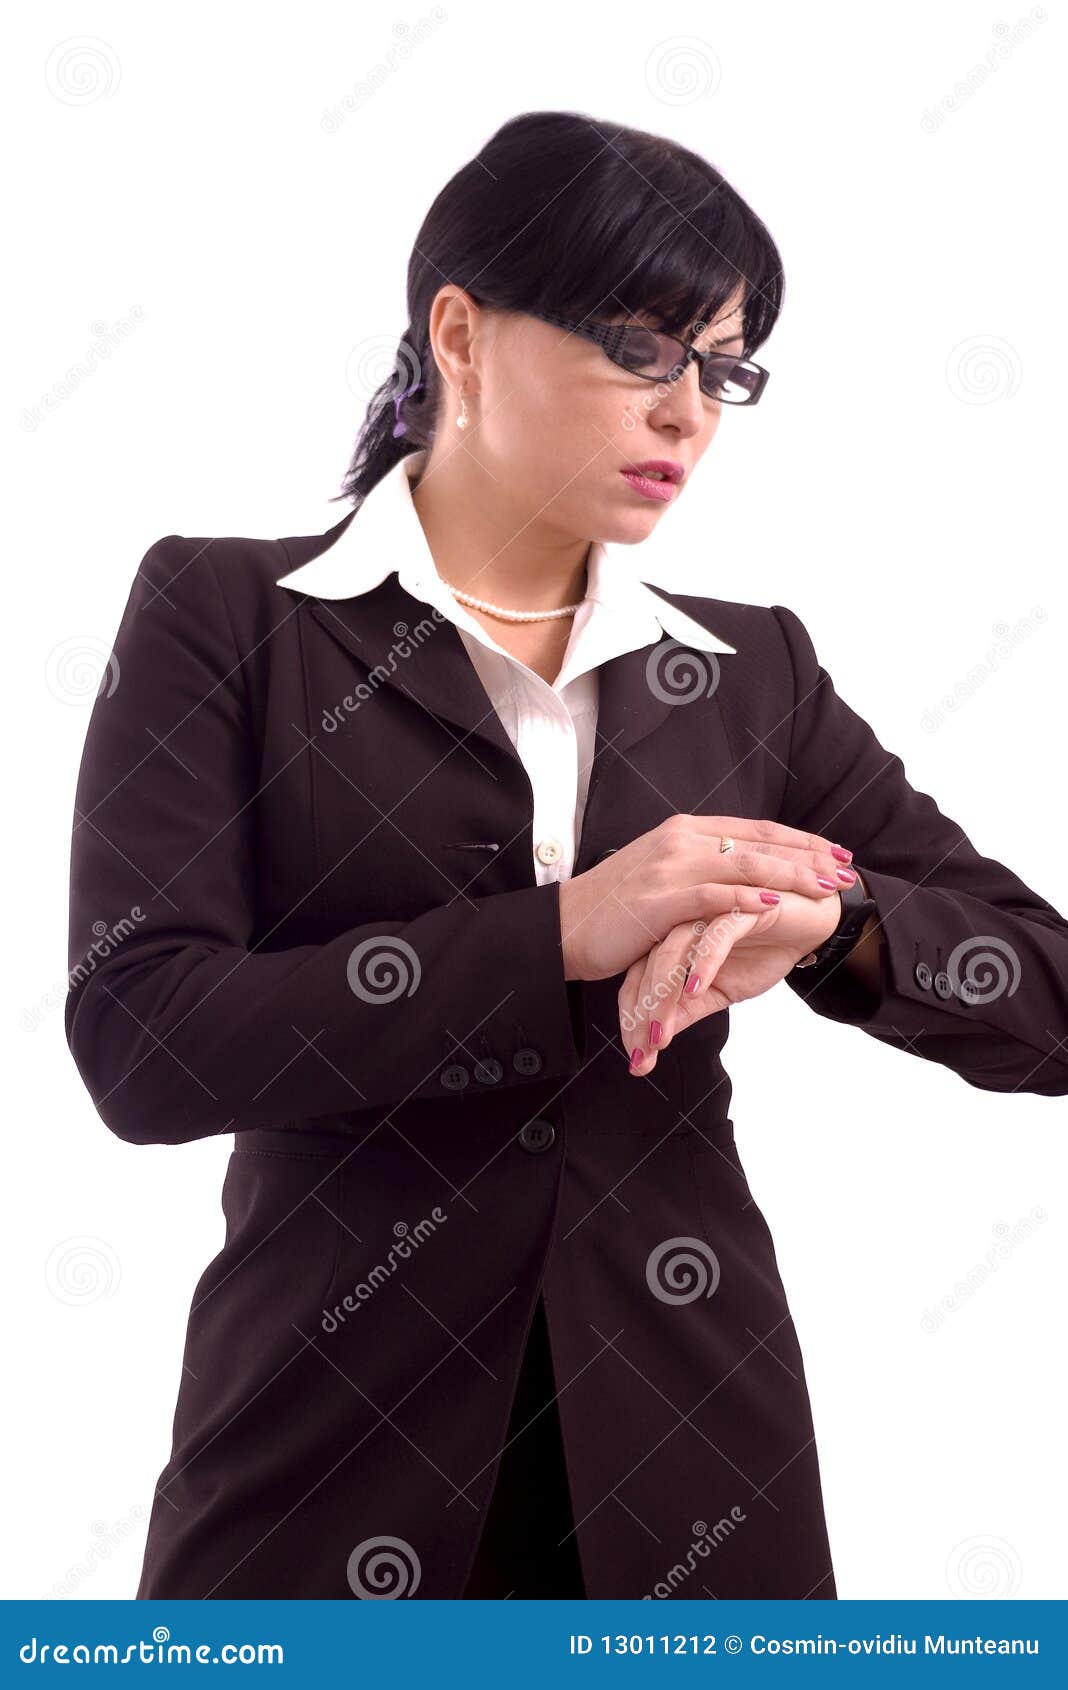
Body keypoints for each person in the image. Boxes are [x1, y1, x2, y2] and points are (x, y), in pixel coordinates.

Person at [65, 110, 1068, 1601]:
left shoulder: (748, 671)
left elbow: (1041, 994)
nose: (689, 414)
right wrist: (563, 935)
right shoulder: (232, 618)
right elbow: (143, 1038)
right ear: (458, 334)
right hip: (318, 1477)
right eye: (641, 349)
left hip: (697, 1488)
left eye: (722, 369)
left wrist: (838, 929)